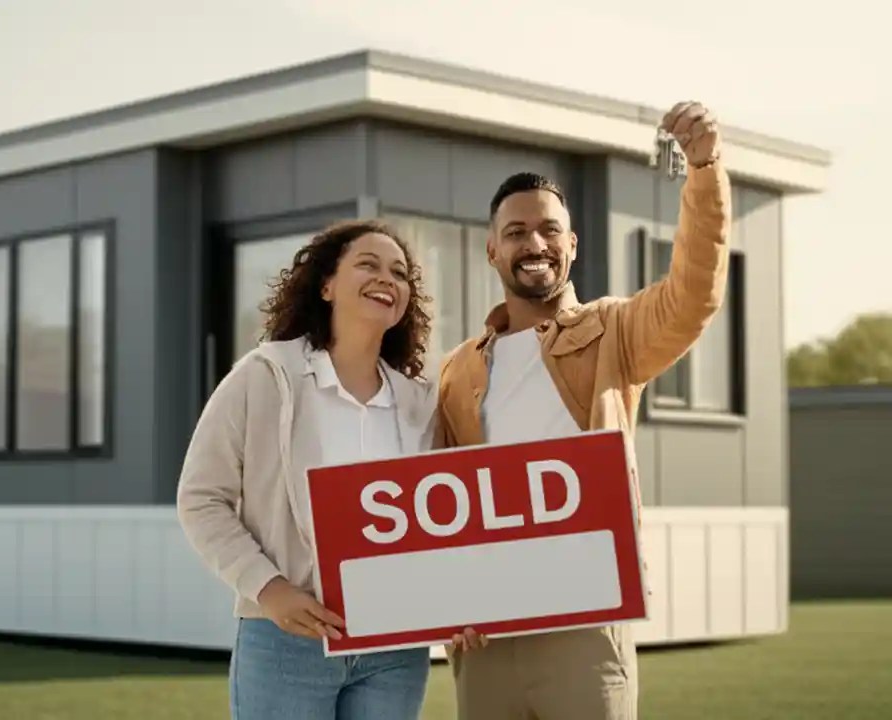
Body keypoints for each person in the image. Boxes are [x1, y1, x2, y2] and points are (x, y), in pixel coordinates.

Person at [436, 100, 731, 719]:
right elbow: (439, 496)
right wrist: (444, 603)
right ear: (492, 251)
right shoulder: (460, 368)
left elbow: (693, 294)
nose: (533, 243)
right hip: (489, 634)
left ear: (572, 245)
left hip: (586, 618)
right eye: (515, 232)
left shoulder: (613, 330)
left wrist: (704, 172)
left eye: (548, 230)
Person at [176, 219, 441, 719]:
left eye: (400, 273)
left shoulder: (422, 403)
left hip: (395, 650)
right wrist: (268, 589)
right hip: (286, 642)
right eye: (368, 264)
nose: (388, 278)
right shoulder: (264, 377)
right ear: (326, 285)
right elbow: (200, 497)